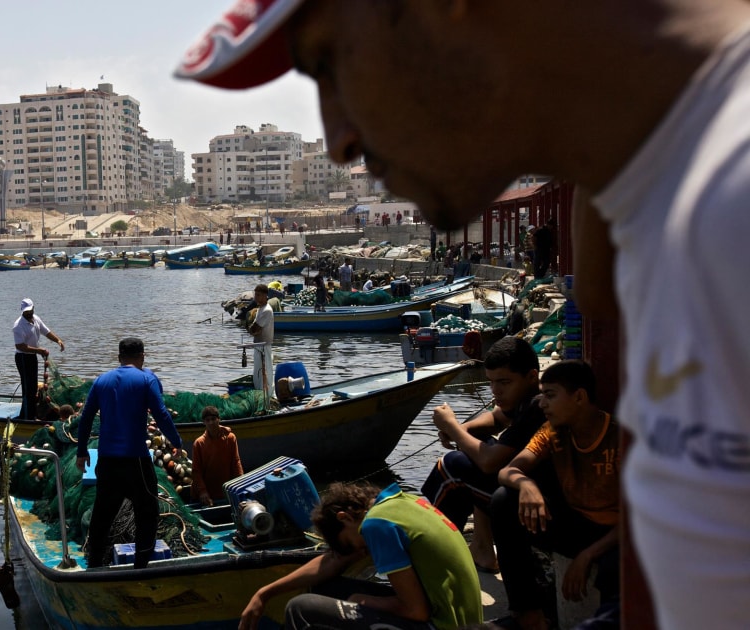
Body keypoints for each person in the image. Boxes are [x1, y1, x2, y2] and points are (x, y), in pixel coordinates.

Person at [177, 4, 750, 625]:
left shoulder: (727, 206)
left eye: (328, 64)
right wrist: (600, 172)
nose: (339, 140)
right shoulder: (667, 192)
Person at [240, 481, 482, 630]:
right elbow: (332, 562)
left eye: (352, 545)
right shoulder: (403, 503)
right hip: (454, 616)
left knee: (300, 609)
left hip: (442, 625)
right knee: (327, 589)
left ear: (344, 518)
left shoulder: (375, 525)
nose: (362, 553)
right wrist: (265, 593)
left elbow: (416, 611)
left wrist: (363, 600)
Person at [492, 360, 621, 630]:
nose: (542, 404)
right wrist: (528, 486)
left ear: (579, 397)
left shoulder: (619, 437)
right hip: (577, 525)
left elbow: (639, 519)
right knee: (504, 500)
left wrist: (586, 556)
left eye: (550, 395)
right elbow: (508, 471)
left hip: (615, 534)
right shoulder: (552, 431)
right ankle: (527, 614)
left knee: (614, 570)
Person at [420, 336, 545, 574]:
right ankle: (481, 547)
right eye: (491, 382)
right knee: (475, 445)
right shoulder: (525, 396)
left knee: (449, 467)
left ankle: (436, 559)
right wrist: (463, 430)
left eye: (504, 382)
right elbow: (498, 418)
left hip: (535, 504)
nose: (496, 390)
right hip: (519, 485)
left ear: (531, 377)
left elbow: (489, 463)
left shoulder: (537, 407)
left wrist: (453, 428)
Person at [74, 338, 182, 569]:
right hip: (136, 462)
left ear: (119, 357)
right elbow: (162, 414)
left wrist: (81, 452)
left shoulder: (101, 381)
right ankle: (141, 564)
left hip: (108, 462)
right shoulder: (146, 379)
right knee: (147, 513)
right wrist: (177, 442)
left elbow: (86, 418)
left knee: (102, 514)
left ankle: (94, 564)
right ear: (142, 356)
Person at [12, 298, 65, 420]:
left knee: (33, 387)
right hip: (23, 358)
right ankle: (26, 416)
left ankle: (31, 413)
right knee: (28, 388)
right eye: (26, 311)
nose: (28, 313)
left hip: (32, 357)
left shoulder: (36, 319)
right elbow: (20, 346)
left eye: (30, 310)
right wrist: (39, 350)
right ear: (22, 311)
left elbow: (46, 332)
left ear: (33, 308)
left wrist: (58, 340)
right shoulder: (18, 326)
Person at [190, 406, 243, 507]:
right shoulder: (199, 443)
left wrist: (241, 483)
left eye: (213, 419)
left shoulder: (230, 438)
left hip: (224, 491)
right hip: (206, 494)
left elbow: (236, 462)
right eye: (207, 420)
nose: (211, 423)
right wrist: (202, 491)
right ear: (204, 422)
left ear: (219, 419)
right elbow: (196, 471)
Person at [248, 283, 274, 393]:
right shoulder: (260, 309)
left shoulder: (267, 310)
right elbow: (253, 329)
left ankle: (268, 396)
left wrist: (251, 328)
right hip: (258, 345)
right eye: (255, 295)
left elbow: (254, 328)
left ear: (265, 296)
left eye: (258, 295)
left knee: (265, 374)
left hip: (264, 346)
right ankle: (260, 394)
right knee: (258, 375)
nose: (256, 297)